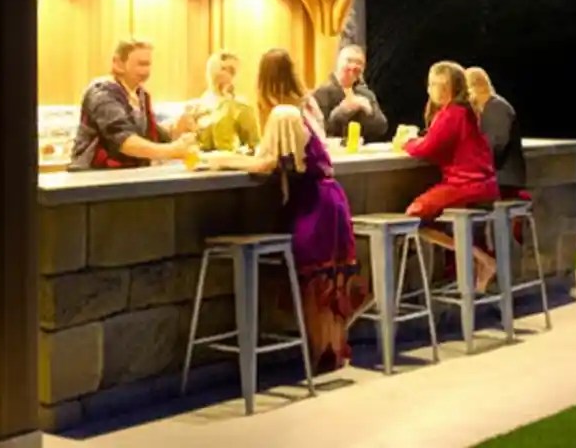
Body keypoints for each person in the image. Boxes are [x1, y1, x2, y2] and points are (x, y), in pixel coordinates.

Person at [207, 48, 367, 373]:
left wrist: (218, 160)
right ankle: (331, 353)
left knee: (314, 278)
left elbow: (265, 163)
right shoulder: (304, 106)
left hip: (313, 203)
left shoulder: (282, 113)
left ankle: (322, 355)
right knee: (329, 277)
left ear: (262, 80)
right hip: (328, 197)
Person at [402, 61, 501, 291]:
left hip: (466, 184)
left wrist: (406, 142)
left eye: (435, 84)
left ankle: (482, 259)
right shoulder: (466, 109)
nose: (431, 89)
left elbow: (428, 148)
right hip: (484, 184)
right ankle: (479, 260)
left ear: (448, 88)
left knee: (412, 217)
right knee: (420, 217)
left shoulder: (452, 113)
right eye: (431, 84)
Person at [70, 38, 196, 170]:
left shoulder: (141, 95)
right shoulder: (102, 93)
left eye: (148, 65)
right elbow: (124, 140)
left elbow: (150, 136)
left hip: (126, 177)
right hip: (93, 178)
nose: (146, 71)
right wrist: (172, 150)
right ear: (118, 63)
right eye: (141, 64)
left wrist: (175, 129)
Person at [466, 67, 527, 195]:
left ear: (474, 88)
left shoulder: (497, 108)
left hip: (504, 181)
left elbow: (495, 147)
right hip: (492, 179)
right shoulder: (484, 109)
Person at [312, 44, 388, 142]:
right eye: (349, 61)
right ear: (338, 63)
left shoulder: (366, 94)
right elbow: (318, 131)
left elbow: (382, 128)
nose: (354, 66)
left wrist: (370, 112)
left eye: (359, 63)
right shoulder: (320, 93)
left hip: (362, 153)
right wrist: (342, 111)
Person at [193, 51, 261, 152]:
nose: (228, 75)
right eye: (224, 69)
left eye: (232, 71)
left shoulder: (241, 106)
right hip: (204, 158)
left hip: (233, 159)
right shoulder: (200, 105)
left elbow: (254, 143)